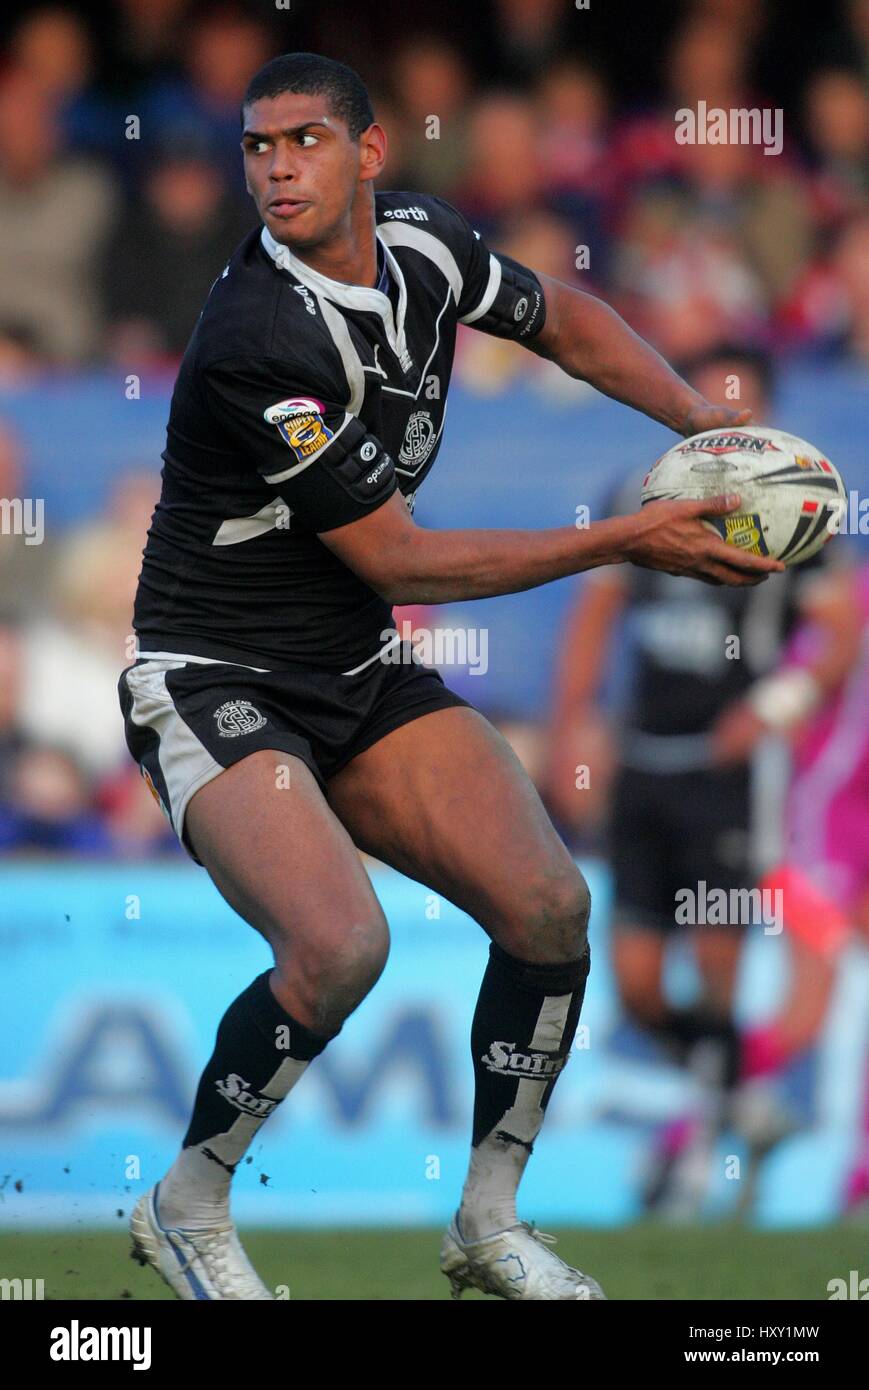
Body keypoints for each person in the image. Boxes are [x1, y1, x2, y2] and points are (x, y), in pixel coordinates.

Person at [118, 53, 781, 1302]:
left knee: (546, 906)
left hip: (354, 663)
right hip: (214, 672)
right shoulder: (256, 331)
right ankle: (187, 1204)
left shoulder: (421, 245)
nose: (274, 166)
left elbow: (567, 321)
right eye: (258, 146)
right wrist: (631, 536)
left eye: (304, 140)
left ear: (370, 155)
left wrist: (702, 430)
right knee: (340, 944)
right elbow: (401, 555)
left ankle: (487, 1219)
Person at [547, 344, 843, 1213]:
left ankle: (701, 1157)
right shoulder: (641, 495)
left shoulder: (795, 507)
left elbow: (837, 629)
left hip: (728, 771)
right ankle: (736, 1105)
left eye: (744, 410)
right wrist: (574, 724)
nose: (729, 428)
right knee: (636, 982)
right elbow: (592, 611)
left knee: (717, 964)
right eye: (713, 410)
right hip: (642, 760)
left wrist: (777, 705)